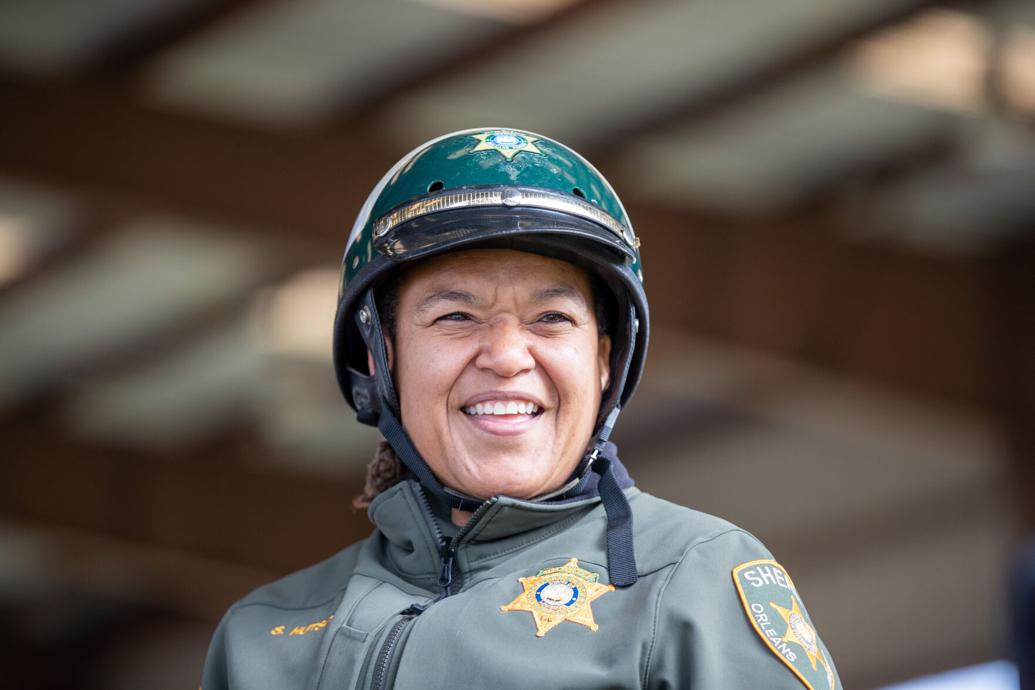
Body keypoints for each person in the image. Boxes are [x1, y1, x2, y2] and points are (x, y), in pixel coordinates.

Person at [201, 128, 842, 689]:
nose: (507, 356)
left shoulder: (695, 579)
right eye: (456, 315)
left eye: (552, 318)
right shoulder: (260, 637)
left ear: (602, 362)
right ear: (380, 358)